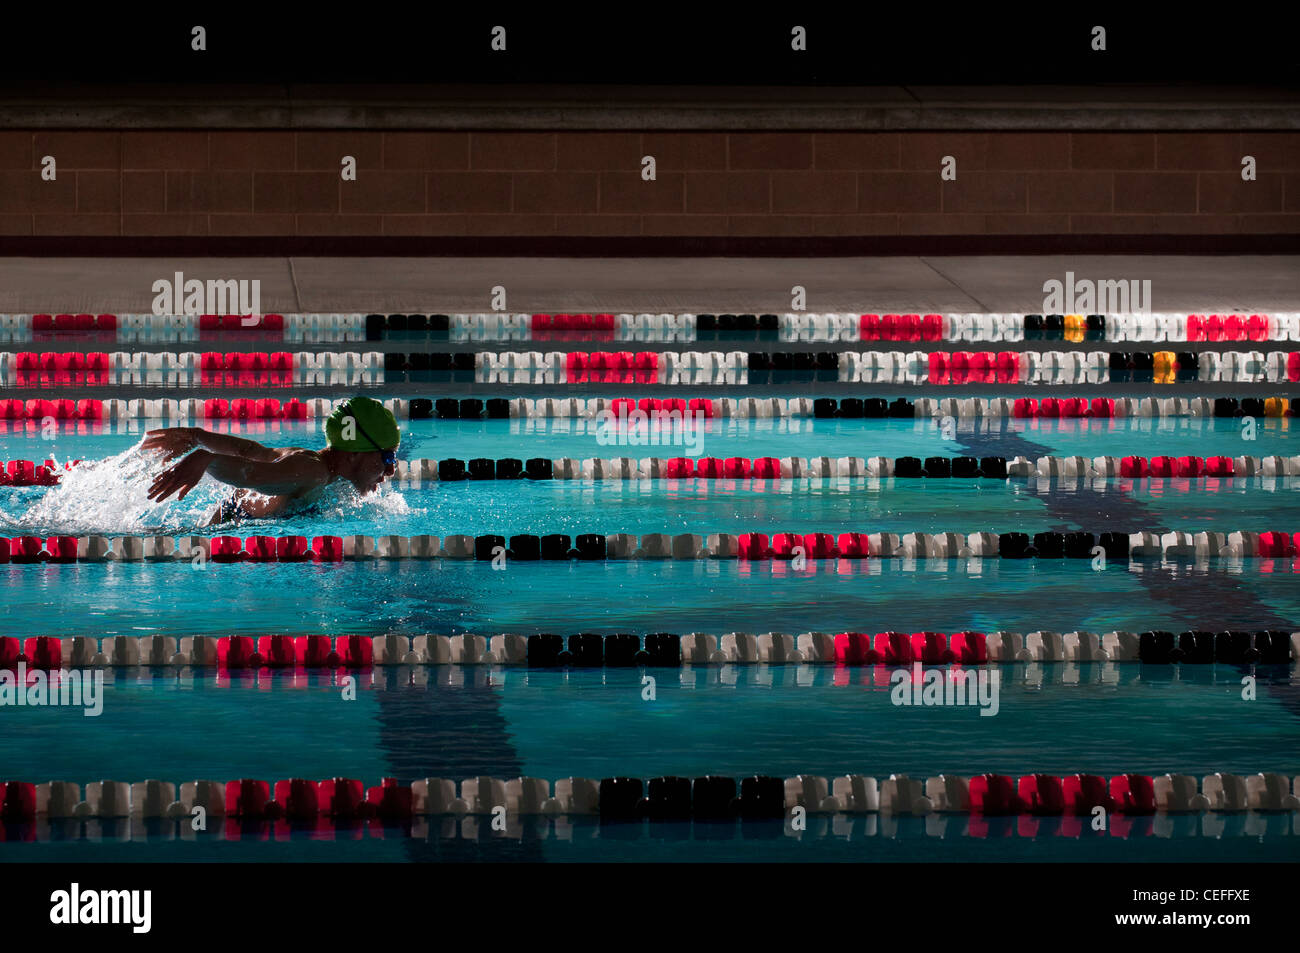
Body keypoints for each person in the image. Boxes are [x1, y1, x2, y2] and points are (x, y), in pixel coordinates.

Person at [144, 396, 400, 525]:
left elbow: (249, 449)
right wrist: (205, 459)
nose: (390, 470)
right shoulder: (312, 471)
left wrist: (196, 436)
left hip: (232, 520)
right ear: (355, 453)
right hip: (232, 528)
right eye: (387, 456)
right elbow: (249, 474)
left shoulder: (308, 459)